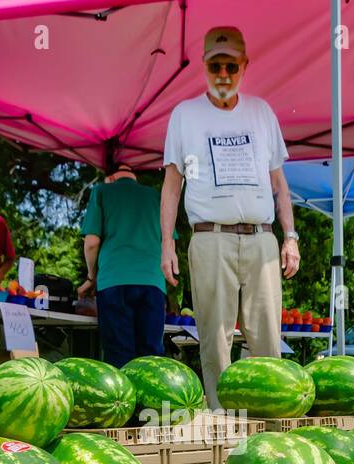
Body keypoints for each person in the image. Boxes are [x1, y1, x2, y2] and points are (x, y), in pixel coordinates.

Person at [160, 26, 300, 408]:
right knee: (214, 338)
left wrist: (291, 237)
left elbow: (279, 184)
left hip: (261, 238)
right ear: (205, 67)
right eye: (215, 66)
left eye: (231, 66)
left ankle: (272, 424)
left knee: (268, 338)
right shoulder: (185, 115)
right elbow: (172, 185)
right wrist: (166, 244)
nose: (223, 74)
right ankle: (223, 422)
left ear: (244, 66)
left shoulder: (262, 113)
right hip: (209, 237)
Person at [78, 163, 167, 367]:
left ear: (110, 176)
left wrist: (91, 278)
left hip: (113, 281)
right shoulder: (155, 196)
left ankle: (122, 399)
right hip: (153, 281)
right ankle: (153, 400)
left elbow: (91, 243)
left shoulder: (102, 191)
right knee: (151, 354)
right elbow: (168, 241)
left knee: (119, 352)